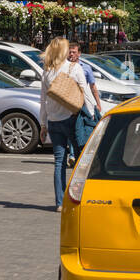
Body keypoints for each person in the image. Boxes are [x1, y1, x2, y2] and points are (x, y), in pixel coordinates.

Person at [40, 37, 79, 209]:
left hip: (53, 120)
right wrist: (93, 114)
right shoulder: (73, 67)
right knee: (80, 161)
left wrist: (43, 124)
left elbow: (43, 100)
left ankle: (59, 202)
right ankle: (79, 198)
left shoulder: (46, 72)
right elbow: (85, 92)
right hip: (71, 118)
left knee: (59, 162)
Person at [66, 43, 103, 163]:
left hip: (82, 104)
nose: (71, 54)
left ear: (79, 53)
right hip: (68, 103)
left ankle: (75, 154)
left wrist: (98, 103)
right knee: (71, 128)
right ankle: (73, 154)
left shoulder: (85, 68)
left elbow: (92, 87)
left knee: (79, 128)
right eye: (70, 52)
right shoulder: (64, 66)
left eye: (74, 52)